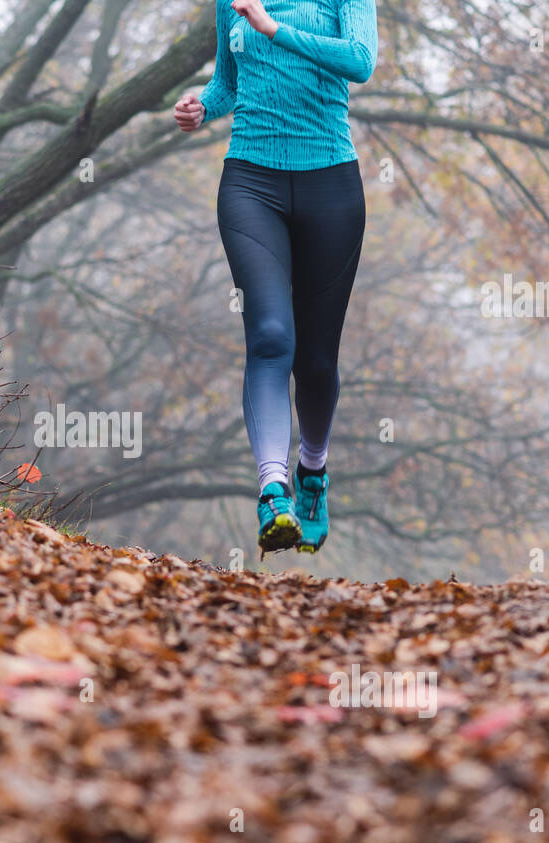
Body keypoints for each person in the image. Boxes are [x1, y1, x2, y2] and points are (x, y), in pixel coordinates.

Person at [174, 0, 377, 554]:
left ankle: (312, 471)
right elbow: (228, 83)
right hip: (250, 184)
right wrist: (201, 107)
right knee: (269, 338)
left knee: (315, 361)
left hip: (331, 186)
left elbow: (360, 61)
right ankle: (273, 490)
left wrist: (274, 28)